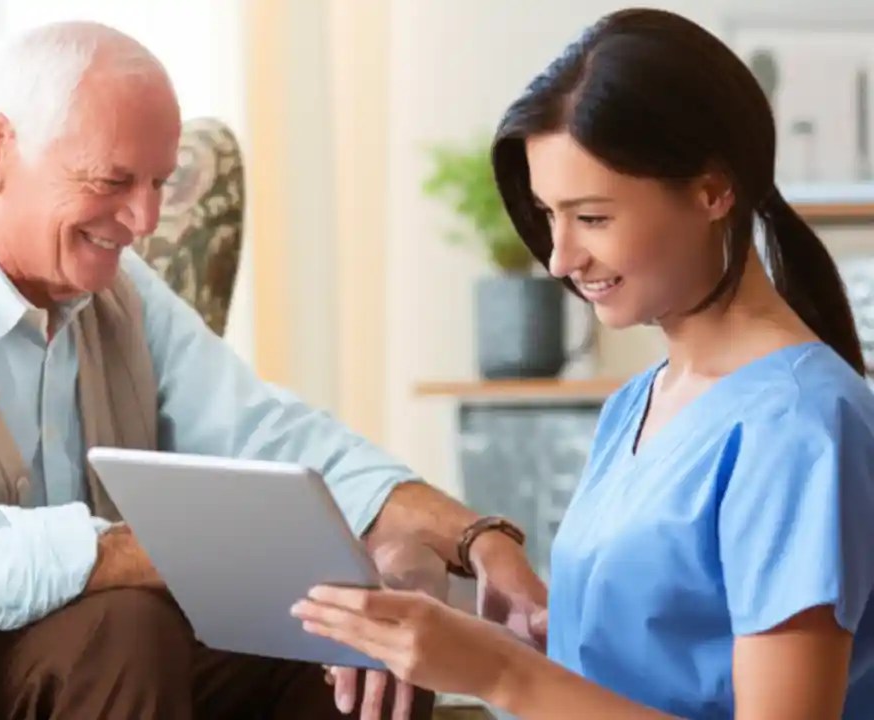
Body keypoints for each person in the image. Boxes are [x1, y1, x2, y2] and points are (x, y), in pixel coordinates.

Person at [0, 20, 546, 720]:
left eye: (159, 183)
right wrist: (180, 554)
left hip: (92, 652)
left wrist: (473, 537)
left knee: (353, 641)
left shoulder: (122, 295)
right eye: (113, 181)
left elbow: (270, 437)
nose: (144, 221)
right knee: (127, 629)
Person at [293, 7, 874, 720]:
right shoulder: (641, 402)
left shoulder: (797, 428)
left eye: (593, 217)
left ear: (713, 191)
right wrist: (462, 641)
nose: (561, 259)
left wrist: (500, 671)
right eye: (549, 216)